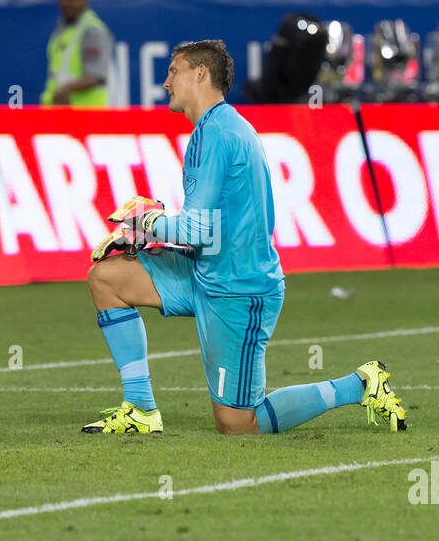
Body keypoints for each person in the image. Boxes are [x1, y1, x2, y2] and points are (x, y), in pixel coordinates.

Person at [82, 39, 407, 435]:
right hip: (206, 272)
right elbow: (210, 231)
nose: (166, 82)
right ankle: (140, 409)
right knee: (107, 278)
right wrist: (147, 230)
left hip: (240, 290)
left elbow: (198, 231)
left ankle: (360, 385)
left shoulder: (218, 134)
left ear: (200, 74)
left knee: (238, 425)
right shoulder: (216, 128)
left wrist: (147, 224)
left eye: (174, 71)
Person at [40, 0, 113, 107]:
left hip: (86, 115)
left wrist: (65, 89)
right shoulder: (62, 29)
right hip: (62, 113)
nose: (69, 2)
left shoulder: (92, 31)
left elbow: (95, 76)